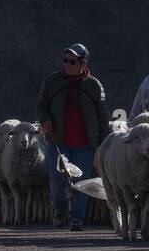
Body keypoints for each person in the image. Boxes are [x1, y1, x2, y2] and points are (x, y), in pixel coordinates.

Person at [36, 43, 109, 231]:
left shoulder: (93, 85)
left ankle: (77, 218)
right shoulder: (53, 81)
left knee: (81, 182)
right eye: (65, 60)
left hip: (85, 142)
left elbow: (102, 114)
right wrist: (45, 120)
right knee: (56, 179)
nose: (67, 64)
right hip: (58, 140)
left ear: (83, 63)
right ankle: (59, 210)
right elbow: (41, 105)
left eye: (72, 61)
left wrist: (104, 141)